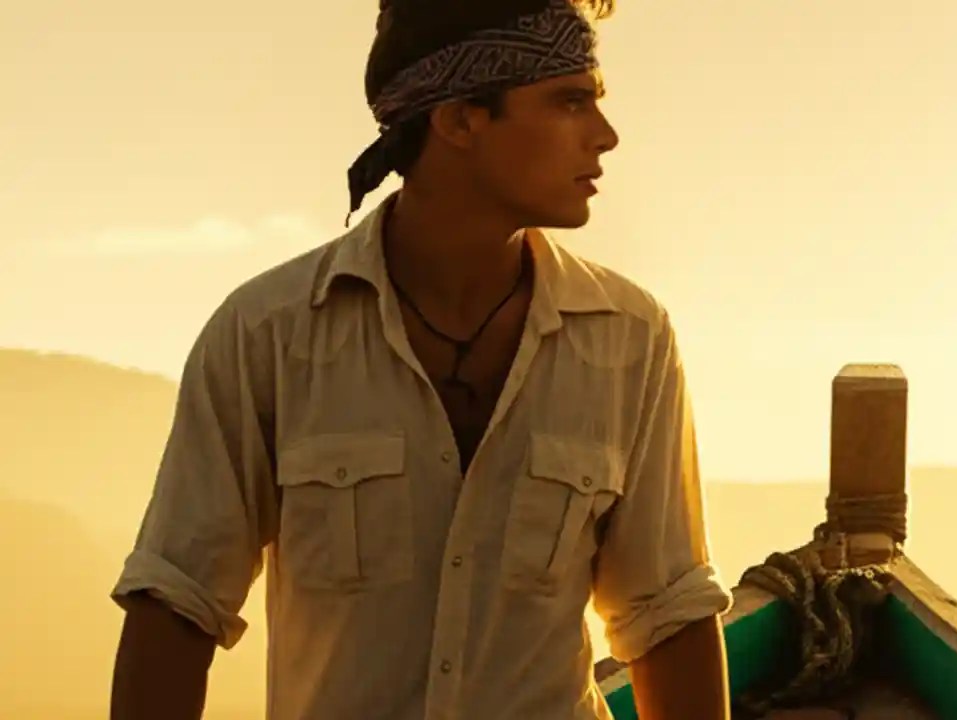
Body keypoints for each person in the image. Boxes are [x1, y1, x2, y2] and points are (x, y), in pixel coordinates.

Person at [107, 0, 734, 718]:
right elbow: (176, 604)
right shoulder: (268, 335)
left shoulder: (628, 337)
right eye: (568, 102)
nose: (605, 136)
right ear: (459, 118)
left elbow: (667, 612)